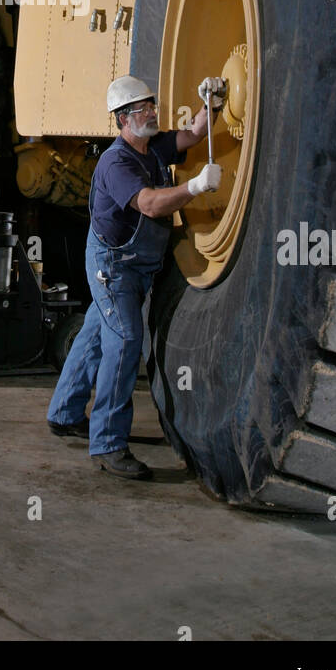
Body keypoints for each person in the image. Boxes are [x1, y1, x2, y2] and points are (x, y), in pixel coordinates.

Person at [46, 74, 226, 479]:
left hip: (132, 264)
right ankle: (108, 444)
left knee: (96, 333)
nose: (152, 112)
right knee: (125, 340)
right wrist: (195, 186)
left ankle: (63, 413)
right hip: (113, 267)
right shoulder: (117, 162)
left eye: (151, 105)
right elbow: (148, 204)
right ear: (123, 119)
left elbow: (194, 135)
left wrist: (211, 102)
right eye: (143, 109)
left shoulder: (152, 145)